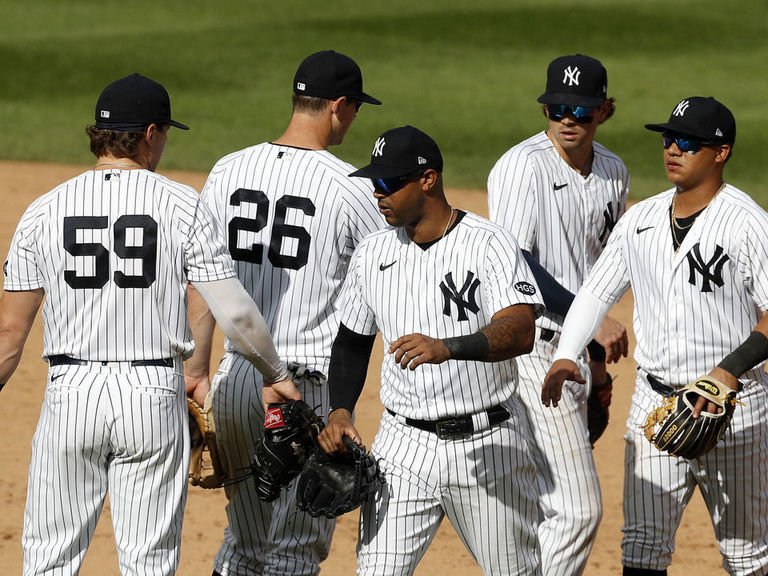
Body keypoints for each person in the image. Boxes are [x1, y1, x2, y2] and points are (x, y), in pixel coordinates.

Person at [0, 73, 298, 576]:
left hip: (71, 393)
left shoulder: (42, 211)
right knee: (149, 563)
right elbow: (236, 312)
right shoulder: (183, 205)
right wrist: (275, 373)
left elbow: (9, 335)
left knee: (49, 559)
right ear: (150, 133)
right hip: (151, 395)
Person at [543, 96, 768, 575]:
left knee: (746, 555)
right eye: (668, 138)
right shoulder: (640, 219)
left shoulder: (747, 223)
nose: (672, 149)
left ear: (720, 152)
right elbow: (593, 295)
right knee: (642, 548)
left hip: (736, 407)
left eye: (687, 142)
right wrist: (565, 354)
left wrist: (729, 369)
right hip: (656, 406)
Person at [183, 50, 384, 576]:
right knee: (294, 552)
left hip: (234, 384)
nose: (355, 117)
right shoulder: (352, 185)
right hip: (302, 395)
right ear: (338, 105)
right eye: (356, 107)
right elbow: (393, 273)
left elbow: (203, 281)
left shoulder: (229, 167)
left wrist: (198, 369)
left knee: (244, 545)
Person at [318, 125, 545, 575]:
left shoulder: (489, 243)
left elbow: (520, 331)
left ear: (428, 179)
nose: (378, 195)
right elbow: (352, 341)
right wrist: (340, 411)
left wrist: (448, 347)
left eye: (389, 183)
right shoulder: (372, 253)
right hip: (403, 447)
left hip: (488, 443)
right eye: (374, 184)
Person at [487, 53, 629, 576]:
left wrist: (592, 352)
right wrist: (592, 323)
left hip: (570, 353)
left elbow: (597, 267)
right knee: (576, 510)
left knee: (539, 503)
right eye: (557, 108)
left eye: (582, 109)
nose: (568, 119)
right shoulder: (521, 167)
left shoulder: (614, 172)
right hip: (529, 350)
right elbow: (515, 262)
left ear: (604, 111)